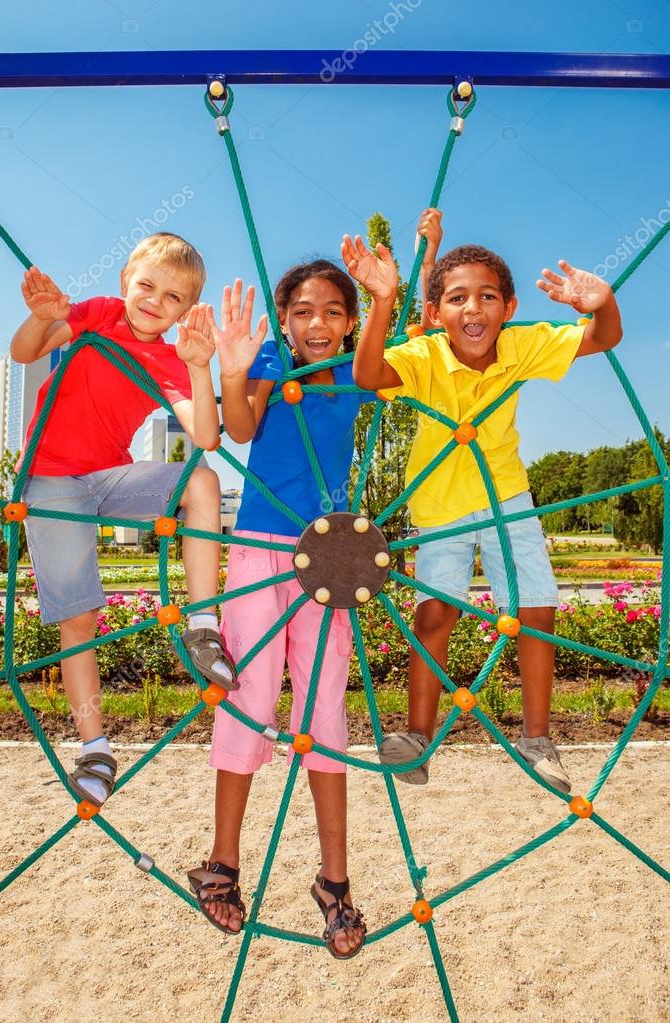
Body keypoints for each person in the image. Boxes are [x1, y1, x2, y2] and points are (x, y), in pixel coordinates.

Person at [347, 220, 622, 794]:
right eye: (457, 298)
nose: (473, 309)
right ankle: (418, 738)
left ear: (509, 307)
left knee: (536, 610)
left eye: (488, 297)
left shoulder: (522, 345)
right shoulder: (424, 354)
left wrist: (603, 303)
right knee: (434, 615)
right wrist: (383, 300)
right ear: (435, 311)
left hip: (506, 498)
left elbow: (603, 338)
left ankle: (537, 739)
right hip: (440, 504)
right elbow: (368, 374)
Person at [187, 262, 374, 959]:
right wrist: (235, 369)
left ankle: (334, 881)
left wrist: (388, 294)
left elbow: (395, 355)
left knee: (325, 713)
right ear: (285, 320)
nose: (316, 323)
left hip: (330, 553)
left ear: (350, 322)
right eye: (301, 311)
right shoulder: (272, 359)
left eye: (332, 311)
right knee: (247, 697)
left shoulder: (357, 368)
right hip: (262, 545)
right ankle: (222, 862)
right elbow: (239, 428)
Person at [11, 233, 236, 808]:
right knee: (78, 618)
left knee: (202, 480)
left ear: (186, 310)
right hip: (52, 481)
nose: (156, 301)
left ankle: (202, 623)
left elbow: (207, 437)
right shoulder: (99, 315)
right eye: (147, 286)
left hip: (108, 476)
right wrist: (43, 318)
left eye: (174, 297)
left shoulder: (169, 359)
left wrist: (200, 367)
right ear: (124, 284)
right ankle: (96, 749)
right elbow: (25, 352)